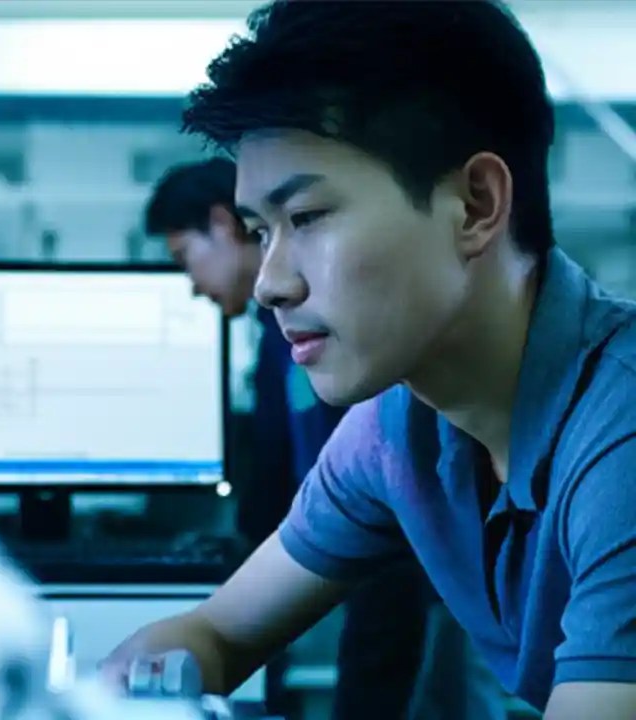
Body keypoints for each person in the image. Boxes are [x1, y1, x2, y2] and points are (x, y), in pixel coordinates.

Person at [101, 2, 636, 718]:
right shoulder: (397, 429)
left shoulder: (621, 435)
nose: (270, 282)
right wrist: (122, 689)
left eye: (310, 218)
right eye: (261, 232)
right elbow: (218, 631)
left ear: (476, 205)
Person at [145, 159, 501, 719]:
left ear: (220, 225)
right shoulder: (279, 335)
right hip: (354, 562)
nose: (191, 286)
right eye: (264, 233)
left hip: (413, 573)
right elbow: (282, 467)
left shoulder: (342, 340)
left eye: (184, 258)